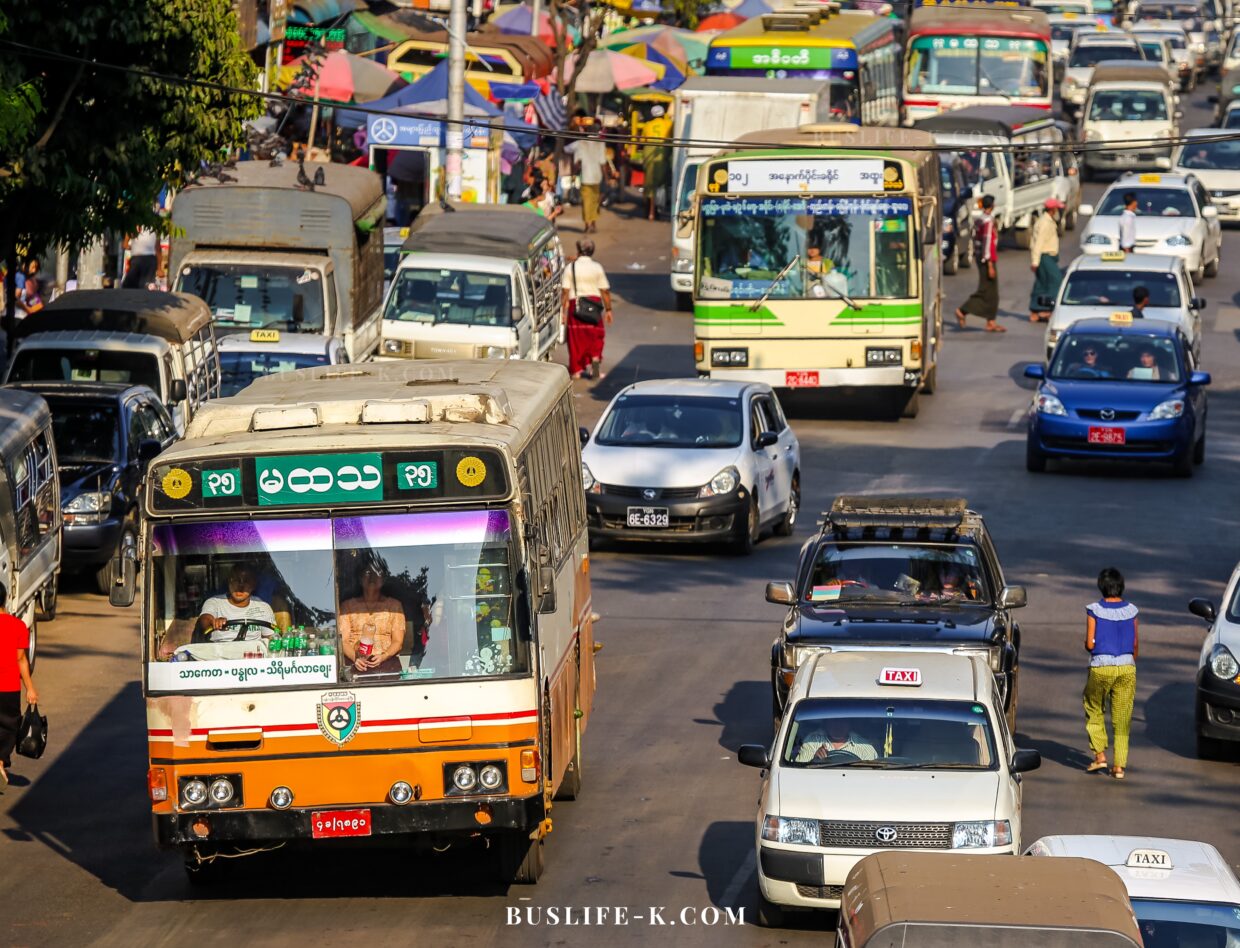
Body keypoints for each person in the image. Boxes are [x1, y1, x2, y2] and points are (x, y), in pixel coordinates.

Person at [1083, 567, 1138, 779]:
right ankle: (1119, 766)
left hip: (1101, 667)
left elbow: (1090, 643)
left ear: (1101, 586)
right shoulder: (1132, 611)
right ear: (1121, 586)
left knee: (1094, 707)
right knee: (1122, 717)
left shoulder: (1094, 610)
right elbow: (1135, 644)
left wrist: (1091, 646)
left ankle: (1100, 756)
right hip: (1127, 667)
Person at [339, 556, 406, 677]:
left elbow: (398, 641)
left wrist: (384, 656)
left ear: (384, 579)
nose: (372, 577)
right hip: (356, 666)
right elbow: (342, 641)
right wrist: (355, 658)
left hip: (387, 666)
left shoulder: (394, 606)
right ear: (360, 578)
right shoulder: (347, 606)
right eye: (368, 573)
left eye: (378, 573)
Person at [0, 585, 37, 790]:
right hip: (8, 688)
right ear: (5, 599)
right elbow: (21, 659)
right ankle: (0, 761)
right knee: (8, 727)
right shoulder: (18, 626)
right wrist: (30, 688)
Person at [561, 238, 613, 380]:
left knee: (575, 340)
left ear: (578, 250)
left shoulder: (570, 268)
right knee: (596, 338)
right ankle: (595, 367)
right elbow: (605, 291)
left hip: (576, 306)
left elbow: (565, 291)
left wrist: (562, 313)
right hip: (594, 307)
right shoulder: (597, 267)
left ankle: (576, 371)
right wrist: (608, 310)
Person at [955, 195, 1004, 332]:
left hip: (981, 258)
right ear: (992, 206)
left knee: (991, 292)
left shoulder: (980, 219)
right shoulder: (987, 221)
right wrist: (989, 264)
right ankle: (963, 310)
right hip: (987, 260)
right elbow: (987, 242)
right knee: (986, 290)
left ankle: (991, 321)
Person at [195, 564, 277, 643]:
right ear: (229, 582)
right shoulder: (214, 602)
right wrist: (214, 622)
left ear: (253, 585)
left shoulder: (262, 606)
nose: (241, 586)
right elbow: (204, 620)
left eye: (246, 581)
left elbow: (271, 638)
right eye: (236, 580)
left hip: (252, 651)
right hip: (221, 650)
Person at [1029, 198, 1065, 323]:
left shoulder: (1049, 221)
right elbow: (1038, 243)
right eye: (1057, 209)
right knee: (1056, 280)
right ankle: (1045, 309)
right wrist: (1035, 261)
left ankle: (1035, 310)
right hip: (1044, 256)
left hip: (1048, 256)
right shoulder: (1045, 223)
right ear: (1052, 209)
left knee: (1041, 282)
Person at [569, 120, 609, 234]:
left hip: (586, 176)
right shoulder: (601, 143)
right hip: (597, 176)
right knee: (595, 201)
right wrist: (606, 178)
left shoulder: (581, 143)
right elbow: (603, 163)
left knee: (586, 201)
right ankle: (593, 223)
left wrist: (573, 174)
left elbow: (577, 162)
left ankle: (588, 224)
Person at [795, 718, 878, 762]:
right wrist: (814, 760)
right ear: (826, 722)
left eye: (843, 721)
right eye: (834, 721)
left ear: (850, 723)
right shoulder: (812, 741)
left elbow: (873, 775)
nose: (838, 725)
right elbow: (799, 773)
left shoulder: (864, 746)